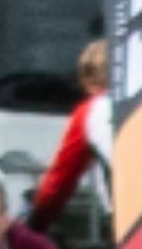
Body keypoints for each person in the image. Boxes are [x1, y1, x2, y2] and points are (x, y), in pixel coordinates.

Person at [26, 40, 112, 236]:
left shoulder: (91, 111)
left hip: (127, 215)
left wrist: (36, 223)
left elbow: (60, 179)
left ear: (89, 81)